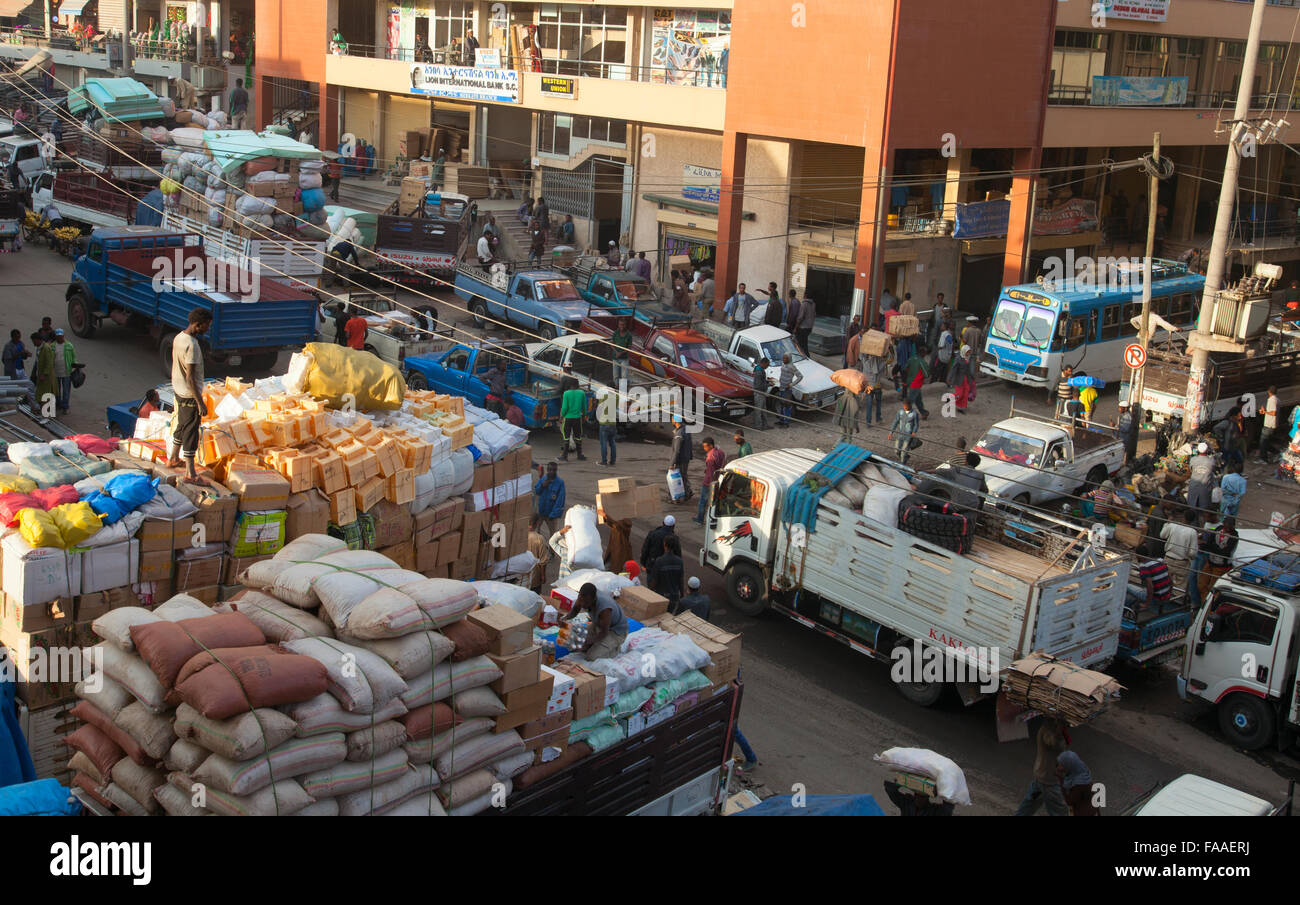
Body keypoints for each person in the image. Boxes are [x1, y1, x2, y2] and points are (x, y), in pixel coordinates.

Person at [163, 309, 212, 484]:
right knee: (191, 431)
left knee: (182, 424)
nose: (208, 328)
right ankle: (191, 474)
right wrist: (200, 403)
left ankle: (173, 458)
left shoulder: (178, 337)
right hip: (189, 394)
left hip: (178, 390)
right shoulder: (192, 345)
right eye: (207, 325)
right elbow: (191, 377)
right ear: (199, 324)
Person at [1014, 718, 1069, 816]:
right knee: (1059, 811)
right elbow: (1053, 743)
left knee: (1029, 804)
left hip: (1041, 778)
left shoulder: (1049, 728)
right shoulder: (1047, 731)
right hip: (1049, 781)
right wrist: (1059, 730)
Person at [566, 582, 628, 661]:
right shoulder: (583, 597)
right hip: (598, 624)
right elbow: (575, 610)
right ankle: (596, 645)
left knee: (591, 657)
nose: (583, 604)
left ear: (594, 599)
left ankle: (614, 649)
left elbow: (604, 632)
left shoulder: (605, 609)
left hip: (615, 632)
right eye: (581, 600)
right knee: (577, 644)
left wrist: (589, 641)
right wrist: (565, 619)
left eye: (586, 603)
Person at [1191, 516, 1238, 608]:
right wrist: (1213, 547)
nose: (1227, 528)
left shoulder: (1234, 537)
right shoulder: (1218, 529)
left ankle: (1208, 608)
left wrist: (1211, 547)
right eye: (1226, 525)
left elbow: (1224, 552)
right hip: (1210, 562)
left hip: (1221, 567)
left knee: (1212, 588)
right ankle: (1204, 604)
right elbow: (1209, 543)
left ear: (1233, 526)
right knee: (1201, 584)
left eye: (1229, 526)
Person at [1160, 507, 1200, 597]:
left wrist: (1167, 523)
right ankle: (1175, 603)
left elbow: (1162, 535)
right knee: (1180, 587)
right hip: (1182, 562)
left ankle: (1162, 599)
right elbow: (1192, 553)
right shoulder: (1193, 532)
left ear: (1183, 517)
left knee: (1164, 582)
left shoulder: (1173, 526)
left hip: (1168, 559)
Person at [648, 535, 685, 613]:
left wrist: (649, 592)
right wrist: (682, 594)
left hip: (661, 597)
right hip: (674, 598)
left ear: (664, 545)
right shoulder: (679, 561)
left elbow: (655, 580)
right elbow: (681, 579)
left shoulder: (659, 561)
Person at [695, 436, 726, 525]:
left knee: (703, 501)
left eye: (705, 446)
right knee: (716, 502)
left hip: (709, 482)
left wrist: (709, 482)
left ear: (711, 446)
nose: (704, 448)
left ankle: (700, 519)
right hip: (718, 480)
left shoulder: (710, 457)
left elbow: (711, 471)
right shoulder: (720, 452)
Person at [1057, 751, 1098, 816]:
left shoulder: (1079, 784)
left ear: (1069, 765)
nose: (1058, 767)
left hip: (1084, 812)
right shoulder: (1081, 768)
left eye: (1061, 765)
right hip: (1091, 806)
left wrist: (1061, 780)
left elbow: (1069, 801)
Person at [533, 461, 566, 537]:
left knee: (553, 535)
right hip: (541, 512)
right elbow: (536, 491)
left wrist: (553, 514)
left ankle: (551, 548)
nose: (552, 472)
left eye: (554, 470)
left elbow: (560, 501)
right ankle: (538, 547)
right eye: (550, 470)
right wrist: (542, 486)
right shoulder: (543, 479)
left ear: (556, 470)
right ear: (547, 470)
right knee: (536, 533)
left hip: (551, 515)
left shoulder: (560, 483)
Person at [558, 381, 586, 461]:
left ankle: (564, 456)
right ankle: (580, 455)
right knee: (578, 436)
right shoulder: (582, 393)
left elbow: (564, 408)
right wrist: (584, 415)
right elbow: (584, 406)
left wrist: (561, 416)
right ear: (578, 385)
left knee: (566, 437)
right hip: (577, 418)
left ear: (570, 385)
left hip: (568, 418)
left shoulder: (566, 393)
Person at [1186, 442, 1216, 515]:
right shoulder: (1211, 461)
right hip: (1205, 487)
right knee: (1204, 509)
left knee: (1192, 508)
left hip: (1194, 486)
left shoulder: (1193, 459)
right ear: (1207, 450)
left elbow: (1191, 469)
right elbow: (1213, 469)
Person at [860, 343, 886, 424]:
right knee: (878, 403)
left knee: (869, 404)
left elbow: (861, 355)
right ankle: (878, 418)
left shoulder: (865, 362)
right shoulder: (879, 363)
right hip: (877, 386)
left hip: (868, 387)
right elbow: (887, 359)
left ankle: (868, 421)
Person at [903, 346, 931, 419]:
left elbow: (905, 369)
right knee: (911, 400)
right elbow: (926, 374)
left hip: (910, 382)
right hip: (916, 383)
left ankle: (923, 412)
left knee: (918, 399)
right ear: (923, 354)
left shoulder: (911, 359)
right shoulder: (922, 362)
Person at [888, 398, 919, 464]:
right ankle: (905, 457)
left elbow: (916, 424)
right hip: (900, 435)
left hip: (908, 436)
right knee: (896, 450)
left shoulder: (914, 414)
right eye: (904, 405)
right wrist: (891, 432)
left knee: (903, 452)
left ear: (910, 405)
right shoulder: (900, 412)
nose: (905, 407)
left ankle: (903, 464)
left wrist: (914, 432)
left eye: (906, 406)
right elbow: (895, 422)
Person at [669, 418, 694, 501]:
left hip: (681, 459)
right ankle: (688, 492)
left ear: (675, 421)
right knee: (683, 476)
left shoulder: (679, 434)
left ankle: (679, 495)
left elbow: (677, 450)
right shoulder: (685, 429)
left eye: (672, 419)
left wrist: (672, 463)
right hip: (686, 458)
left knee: (679, 477)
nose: (671, 420)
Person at [30, 332, 55, 415]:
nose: (33, 343)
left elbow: (49, 363)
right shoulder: (39, 348)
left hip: (45, 378)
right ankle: (43, 414)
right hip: (40, 376)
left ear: (37, 340)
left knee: (45, 396)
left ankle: (47, 415)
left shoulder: (46, 348)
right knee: (40, 396)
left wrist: (44, 374)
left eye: (33, 341)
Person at [52, 329, 75, 415]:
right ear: (56, 337)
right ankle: (58, 404)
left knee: (66, 391)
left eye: (61, 336)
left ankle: (65, 406)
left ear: (63, 336)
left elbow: (73, 357)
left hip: (66, 372)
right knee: (57, 390)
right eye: (58, 337)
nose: (60, 338)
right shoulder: (53, 346)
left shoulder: (69, 345)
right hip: (55, 372)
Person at [776, 353, 802, 427]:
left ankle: (786, 422)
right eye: (783, 358)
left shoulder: (792, 367)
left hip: (787, 390)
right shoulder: (783, 364)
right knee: (781, 405)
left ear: (789, 359)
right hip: (781, 387)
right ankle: (781, 420)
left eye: (785, 358)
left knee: (787, 406)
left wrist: (791, 384)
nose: (784, 359)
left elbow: (800, 376)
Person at [951, 344, 975, 414]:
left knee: (966, 392)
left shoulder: (967, 358)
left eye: (969, 352)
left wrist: (971, 378)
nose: (968, 353)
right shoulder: (958, 359)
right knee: (960, 393)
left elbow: (968, 370)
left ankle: (961, 407)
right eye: (967, 352)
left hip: (965, 379)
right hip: (959, 379)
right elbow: (954, 369)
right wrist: (951, 378)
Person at [596, 388, 617, 467]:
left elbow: (600, 408)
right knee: (612, 442)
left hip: (604, 422)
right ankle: (612, 461)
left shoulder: (604, 396)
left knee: (603, 443)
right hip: (613, 422)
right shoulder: (617, 397)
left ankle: (604, 461)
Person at [610, 318, 632, 388]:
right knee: (615, 375)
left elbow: (629, 348)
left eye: (623, 325)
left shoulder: (629, 335)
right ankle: (616, 387)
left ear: (625, 325)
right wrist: (616, 352)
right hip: (615, 357)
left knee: (624, 376)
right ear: (618, 325)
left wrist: (621, 353)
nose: (622, 326)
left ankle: (623, 389)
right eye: (620, 325)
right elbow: (611, 344)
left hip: (624, 358)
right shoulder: (615, 333)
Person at [1259, 386, 1280, 462]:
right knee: (1265, 442)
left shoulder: (1272, 400)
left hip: (1269, 425)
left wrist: (1264, 412)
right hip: (1271, 424)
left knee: (1263, 442)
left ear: (1269, 391)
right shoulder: (1277, 399)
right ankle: (1277, 453)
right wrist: (1265, 411)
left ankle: (1264, 459)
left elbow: (1273, 412)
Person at [751, 356, 770, 429]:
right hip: (759, 392)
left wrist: (767, 381)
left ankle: (764, 425)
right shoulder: (759, 371)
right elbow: (759, 385)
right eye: (767, 365)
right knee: (759, 410)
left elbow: (761, 381)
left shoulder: (759, 369)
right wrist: (768, 384)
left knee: (763, 410)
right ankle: (758, 426)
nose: (767, 367)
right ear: (764, 363)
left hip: (761, 393)